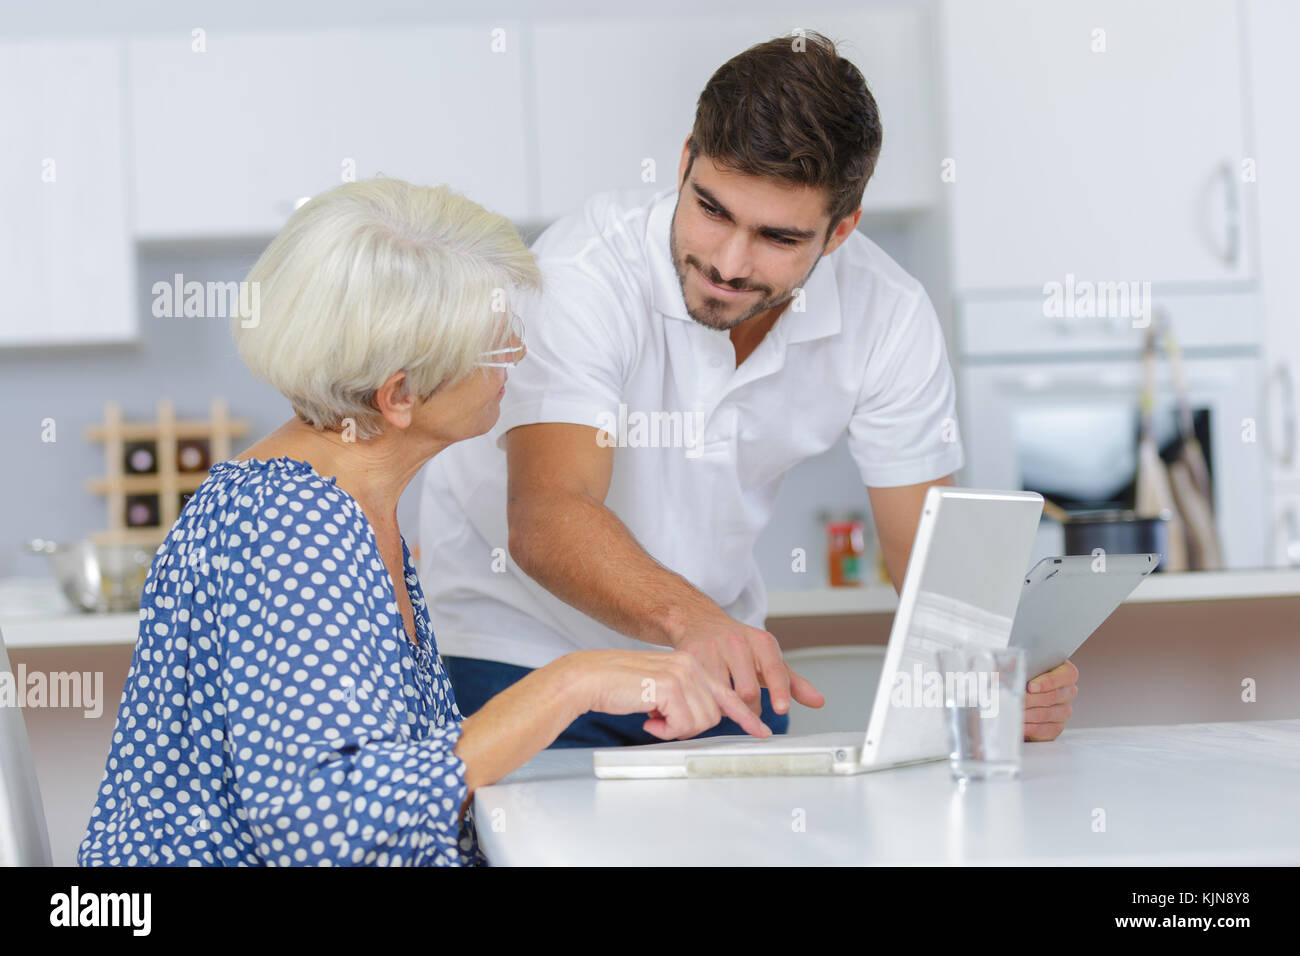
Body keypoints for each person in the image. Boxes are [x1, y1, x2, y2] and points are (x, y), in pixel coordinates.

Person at [77, 178, 770, 868]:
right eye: (496, 350)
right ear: (400, 395)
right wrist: (575, 681)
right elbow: (328, 828)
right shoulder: (292, 528)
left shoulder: (337, 504)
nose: (519, 358)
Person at [421, 31, 1079, 746]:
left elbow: (924, 551)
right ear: (683, 163)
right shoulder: (583, 273)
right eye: (712, 209)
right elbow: (548, 512)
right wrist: (692, 619)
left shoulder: (889, 313)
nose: (728, 263)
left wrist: (996, 667)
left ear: (841, 232)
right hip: (514, 655)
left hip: (713, 666)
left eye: (778, 238)